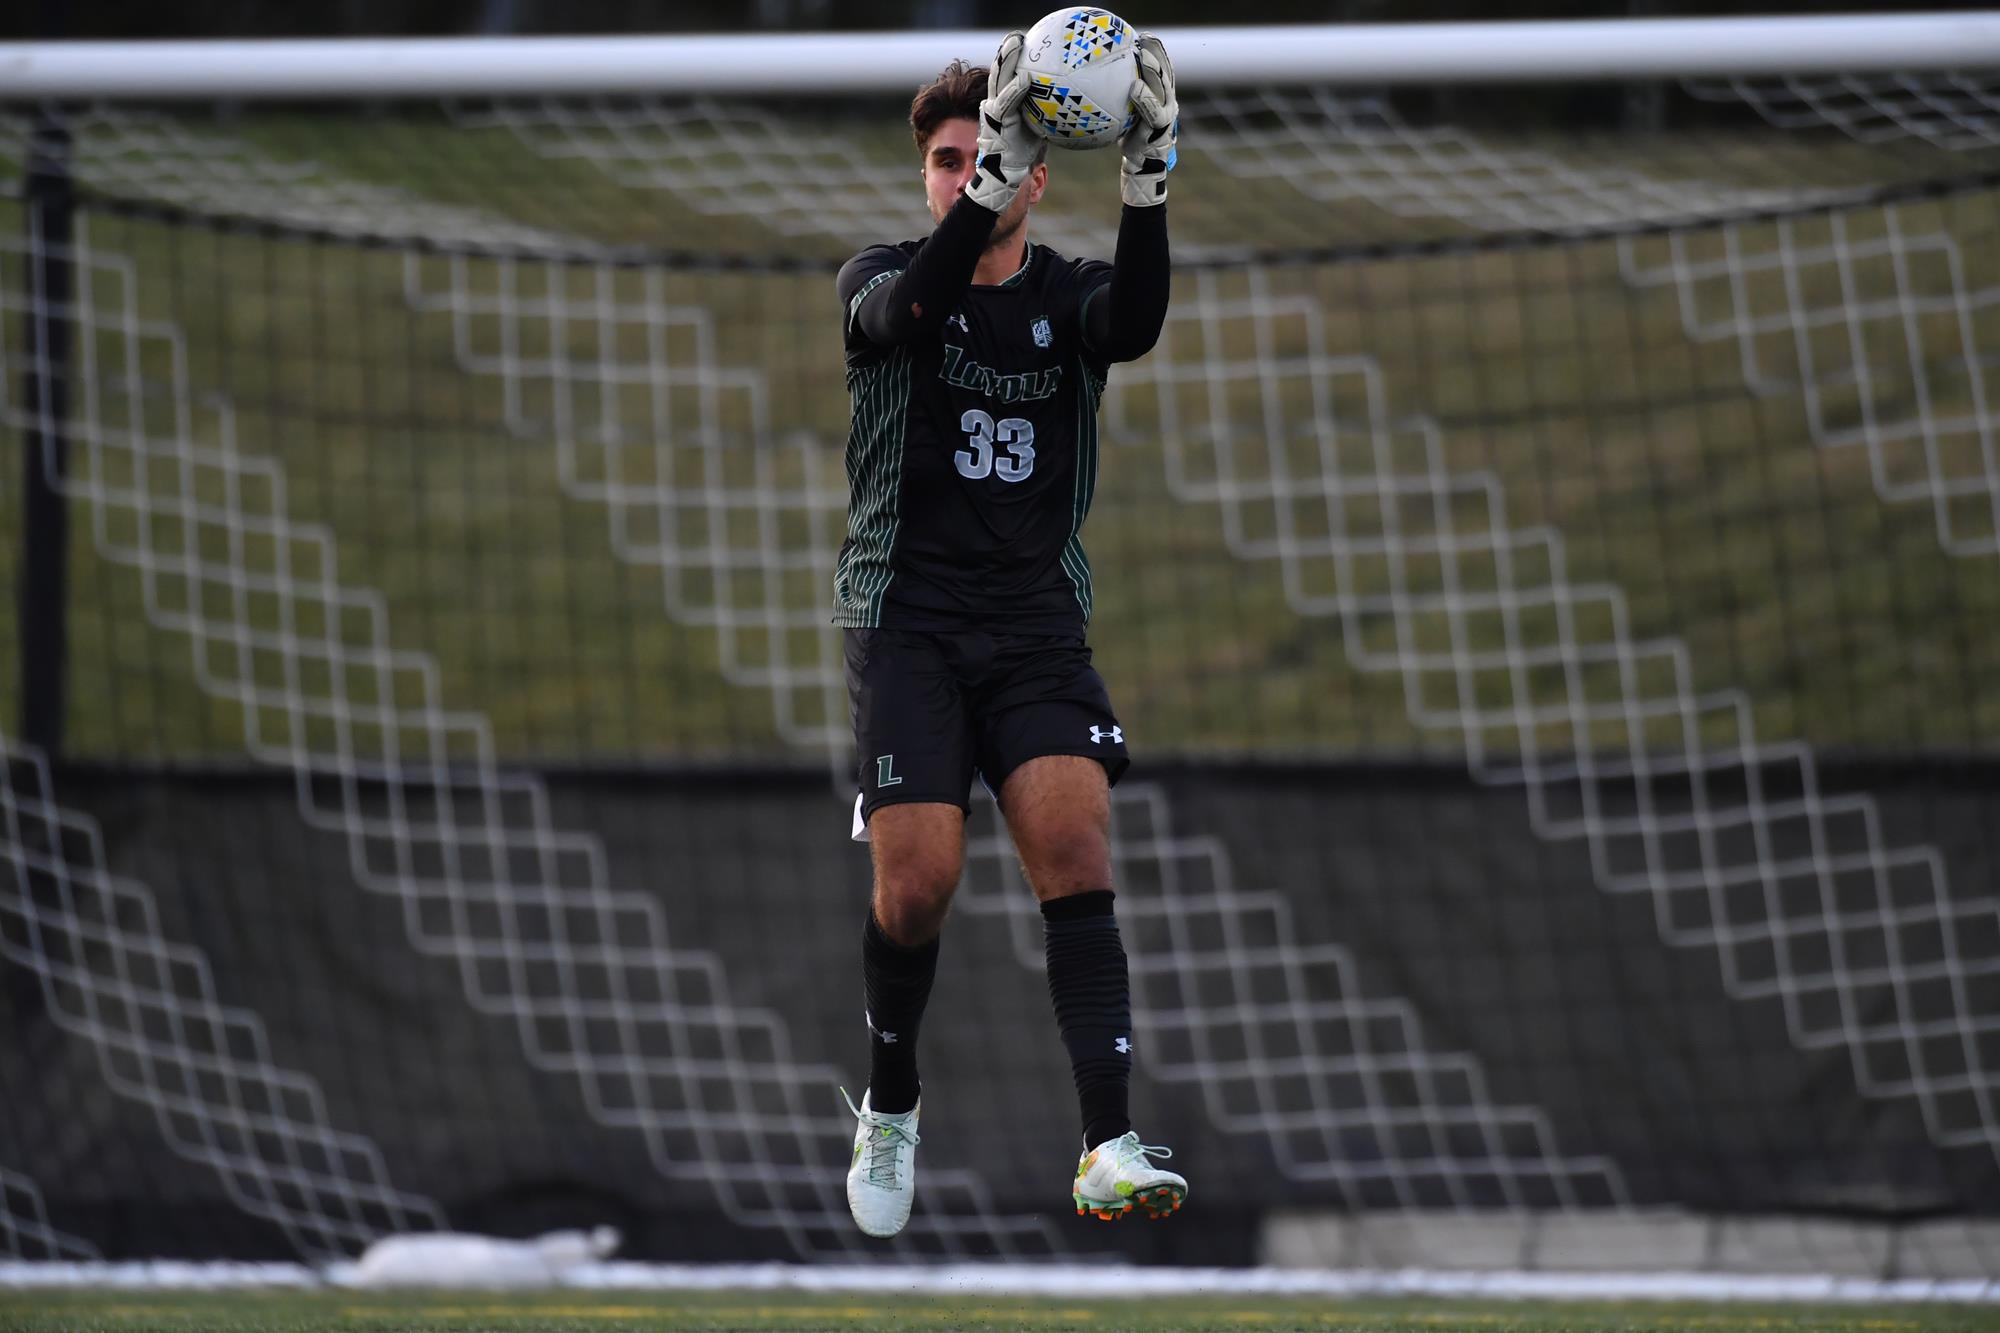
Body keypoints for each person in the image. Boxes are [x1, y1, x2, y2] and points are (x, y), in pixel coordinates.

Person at [832, 25, 1185, 1240]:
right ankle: (891, 1098)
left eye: (978, 158)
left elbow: (1132, 325)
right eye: (942, 159)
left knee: (1074, 849)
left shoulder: (1069, 291)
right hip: (906, 622)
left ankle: (1106, 1142)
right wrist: (980, 190)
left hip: (1033, 624)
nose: (959, 176)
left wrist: (1146, 182)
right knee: (917, 884)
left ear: (1039, 175)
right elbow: (910, 313)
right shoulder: (878, 276)